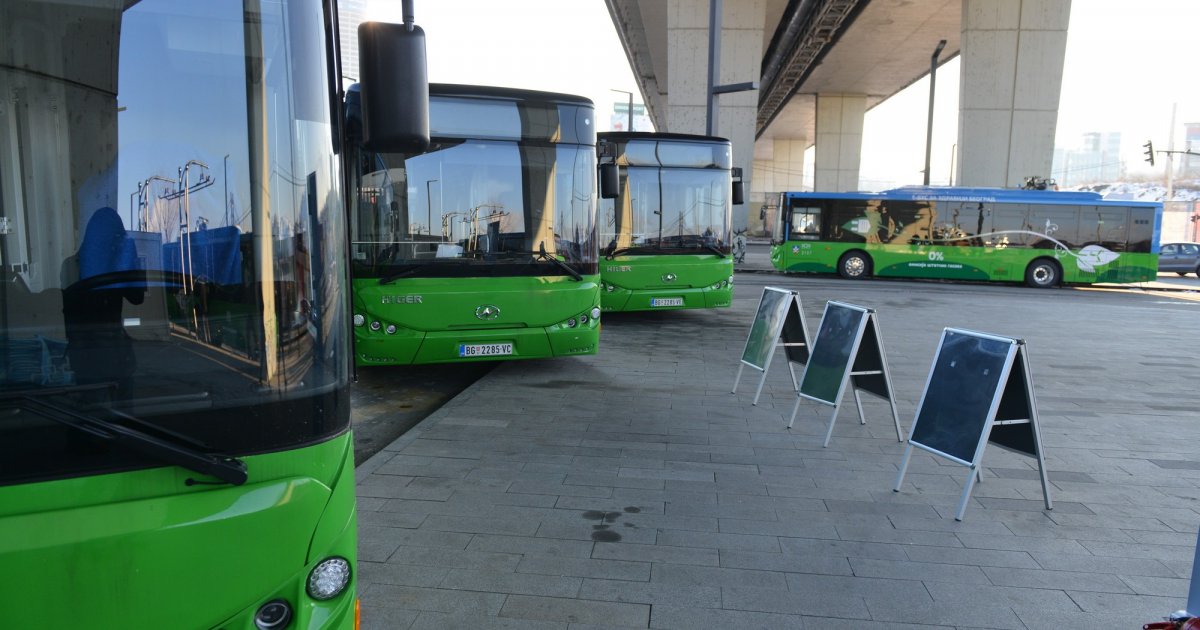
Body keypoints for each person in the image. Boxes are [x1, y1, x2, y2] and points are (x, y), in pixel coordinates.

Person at [61, 207, 145, 401]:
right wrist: (124, 262)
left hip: (104, 354)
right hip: (96, 353)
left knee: (106, 413)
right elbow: (136, 297)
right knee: (101, 414)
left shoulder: (74, 264)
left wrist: (128, 262)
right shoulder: (78, 266)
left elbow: (137, 297)